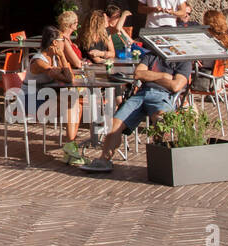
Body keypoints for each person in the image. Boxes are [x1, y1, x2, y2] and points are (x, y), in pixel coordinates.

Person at [81, 44, 192, 173]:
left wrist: (149, 75)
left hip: (163, 96)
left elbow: (176, 86)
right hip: (140, 95)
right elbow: (138, 73)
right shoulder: (151, 55)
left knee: (161, 122)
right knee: (115, 123)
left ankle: (160, 162)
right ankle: (104, 160)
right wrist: (164, 76)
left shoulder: (183, 61)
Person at [28, 25, 84, 161]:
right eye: (62, 40)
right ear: (55, 43)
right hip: (31, 101)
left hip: (46, 97)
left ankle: (70, 147)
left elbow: (68, 76)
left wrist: (61, 57)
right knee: (71, 102)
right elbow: (68, 78)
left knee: (76, 103)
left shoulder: (53, 58)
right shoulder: (40, 61)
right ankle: (71, 147)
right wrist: (62, 56)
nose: (65, 42)